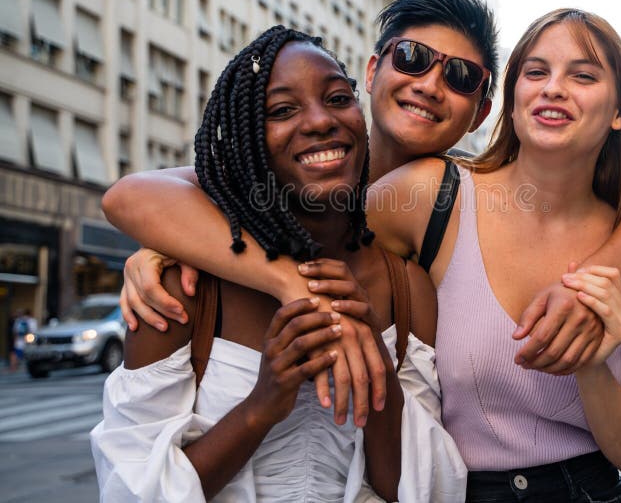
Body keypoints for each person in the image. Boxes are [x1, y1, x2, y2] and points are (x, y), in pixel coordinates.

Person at [108, 0, 621, 415]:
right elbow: (137, 196)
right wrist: (187, 249)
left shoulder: (462, 199)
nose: (429, 85)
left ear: (484, 110)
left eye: (462, 77)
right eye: (413, 59)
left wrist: (598, 277)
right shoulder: (299, 181)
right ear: (373, 69)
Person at [90, 27, 466, 501]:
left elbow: (419, 489)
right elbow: (131, 490)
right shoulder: (180, 286)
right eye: (282, 110)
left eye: (336, 98)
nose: (319, 121)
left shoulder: (407, 286)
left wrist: (374, 362)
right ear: (247, 143)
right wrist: (262, 405)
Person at [366, 8, 621, 500]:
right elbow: (304, 231)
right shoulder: (435, 197)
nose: (554, 88)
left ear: (619, 111)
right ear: (511, 104)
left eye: (583, 75)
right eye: (536, 72)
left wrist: (590, 363)